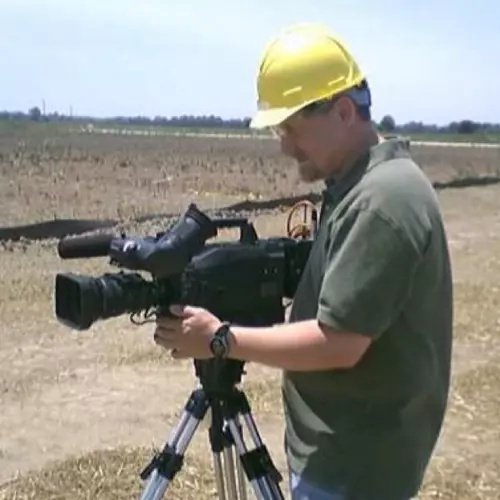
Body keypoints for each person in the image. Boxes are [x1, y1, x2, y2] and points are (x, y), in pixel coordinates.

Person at [154, 23, 454, 500]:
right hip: (343, 452)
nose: (285, 146)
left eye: (292, 127)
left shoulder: (382, 200)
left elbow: (339, 343)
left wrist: (219, 340)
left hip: (354, 470)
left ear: (342, 111)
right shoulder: (359, 185)